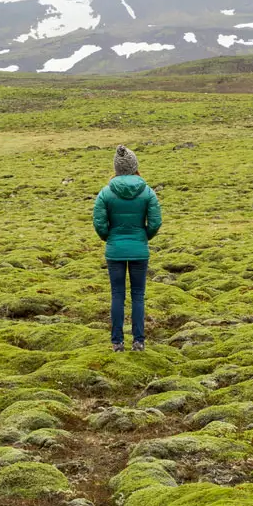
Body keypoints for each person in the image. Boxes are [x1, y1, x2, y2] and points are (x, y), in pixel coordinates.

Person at [92, 145, 162, 352]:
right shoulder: (147, 192)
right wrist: (143, 237)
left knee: (117, 295)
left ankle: (117, 342)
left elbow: (99, 223)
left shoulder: (105, 193)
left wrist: (109, 238)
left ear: (116, 168)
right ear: (135, 167)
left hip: (115, 250)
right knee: (138, 295)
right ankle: (139, 341)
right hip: (139, 249)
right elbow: (156, 222)